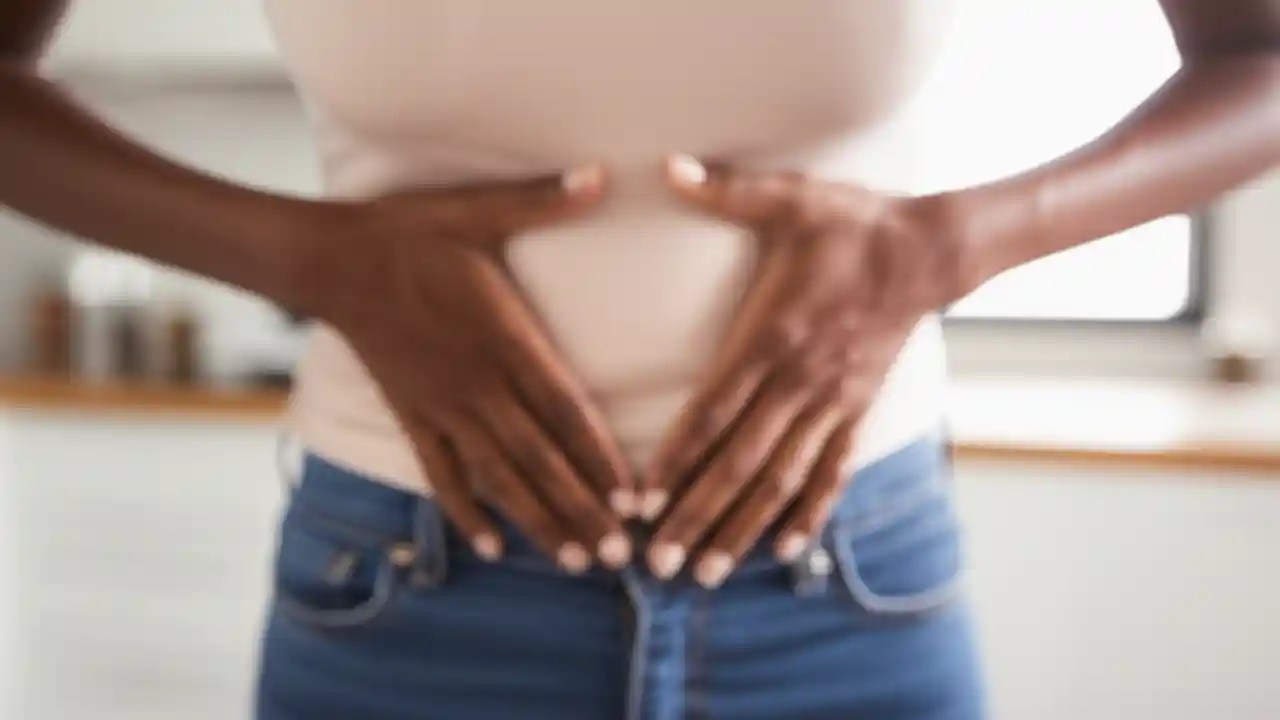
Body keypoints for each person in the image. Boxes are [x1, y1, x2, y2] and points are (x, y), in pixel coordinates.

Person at [3, 1, 1278, 718]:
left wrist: (950, 243)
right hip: (411, 591)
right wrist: (312, 260)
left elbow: (1257, 59)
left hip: (842, 588)